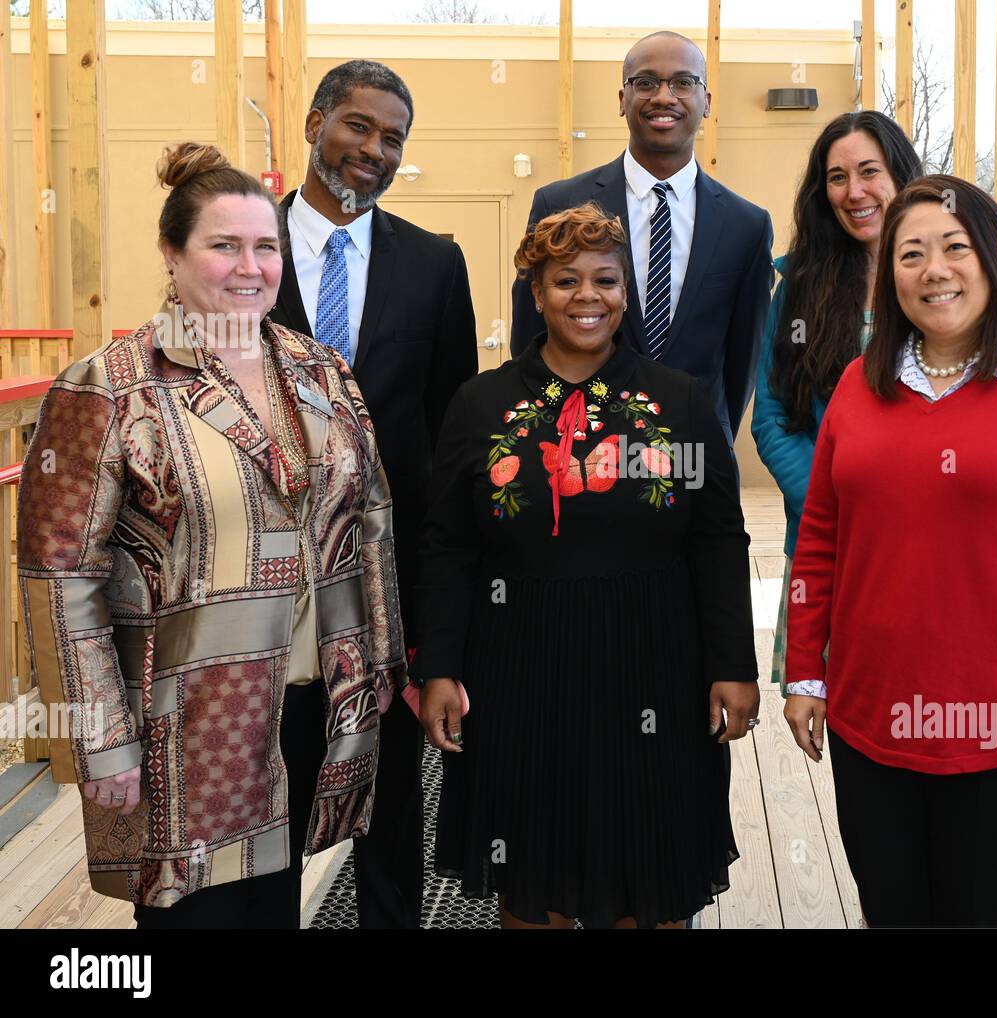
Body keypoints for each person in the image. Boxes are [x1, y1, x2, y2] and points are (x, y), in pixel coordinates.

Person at [17, 142, 405, 929]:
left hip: (314, 707)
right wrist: (99, 740)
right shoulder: (109, 386)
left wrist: (380, 671)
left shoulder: (320, 370)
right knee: (200, 921)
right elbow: (60, 576)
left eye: (265, 246)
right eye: (223, 245)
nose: (250, 267)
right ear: (172, 252)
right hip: (182, 724)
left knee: (274, 911)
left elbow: (371, 524)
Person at [783, 176, 997, 927]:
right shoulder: (855, 388)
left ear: (994, 258)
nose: (933, 270)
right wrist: (804, 670)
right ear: (889, 276)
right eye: (910, 254)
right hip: (870, 722)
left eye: (954, 247)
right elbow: (819, 542)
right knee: (892, 913)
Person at [413, 204, 759, 929]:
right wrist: (437, 666)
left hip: (656, 668)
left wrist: (734, 665)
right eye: (565, 280)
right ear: (535, 293)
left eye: (605, 279)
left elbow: (719, 541)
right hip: (515, 671)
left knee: (650, 881)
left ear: (627, 292)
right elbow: (446, 544)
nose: (587, 296)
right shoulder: (480, 404)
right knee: (532, 886)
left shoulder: (681, 401)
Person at [269, 60, 478, 929]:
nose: (375, 150)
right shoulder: (244, 245)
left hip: (384, 587)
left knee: (390, 802)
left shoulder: (434, 264)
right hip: (265, 581)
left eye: (394, 139)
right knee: (265, 794)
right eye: (359, 126)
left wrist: (438, 618)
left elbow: (451, 434)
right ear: (316, 121)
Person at [509, 31, 773, 449]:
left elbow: (743, 361)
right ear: (622, 99)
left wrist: (712, 434)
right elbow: (529, 337)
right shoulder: (558, 203)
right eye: (646, 82)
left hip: (695, 454)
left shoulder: (747, 225)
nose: (663, 96)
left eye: (683, 82)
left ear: (706, 102)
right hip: (578, 449)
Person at [750, 110, 920, 695]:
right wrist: (837, 508)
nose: (855, 192)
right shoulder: (799, 287)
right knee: (851, 714)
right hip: (833, 544)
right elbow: (772, 417)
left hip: (933, 544)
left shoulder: (946, 277)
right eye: (837, 177)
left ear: (900, 174)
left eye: (869, 171)